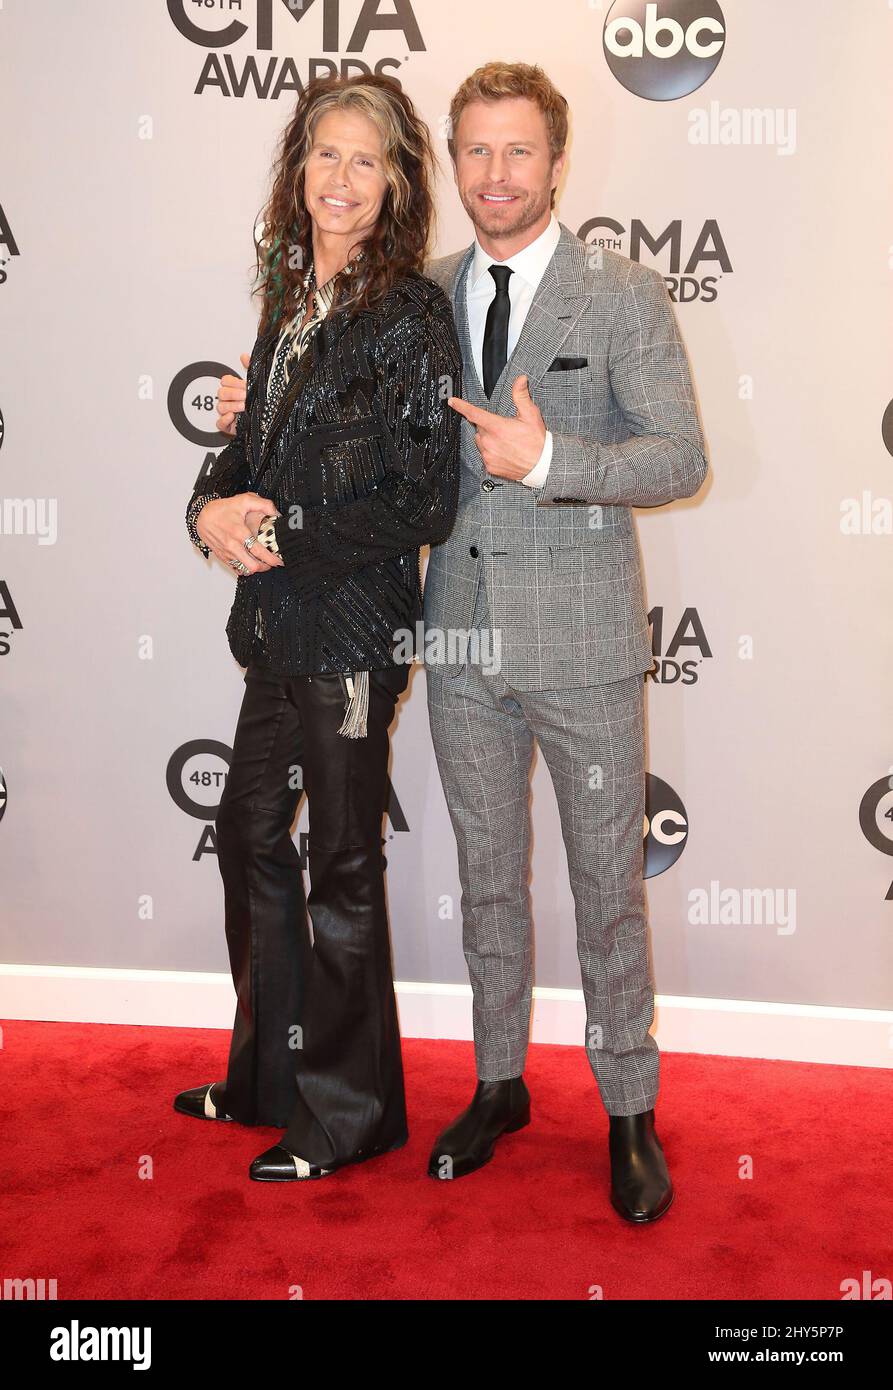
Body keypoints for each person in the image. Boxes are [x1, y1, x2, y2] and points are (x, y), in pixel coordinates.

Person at [216, 62, 708, 1222]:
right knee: (489, 883)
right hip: (454, 642)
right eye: (475, 151)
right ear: (451, 163)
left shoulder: (621, 293)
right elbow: (358, 443)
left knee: (604, 891)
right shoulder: (419, 290)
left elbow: (680, 458)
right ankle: (498, 1085)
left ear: (556, 160)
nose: (496, 174)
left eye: (518, 152)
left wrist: (551, 464)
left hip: (581, 638)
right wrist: (258, 419)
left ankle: (627, 1111)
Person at [175, 74, 462, 1183]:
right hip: (275, 631)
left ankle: (349, 1113)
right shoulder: (290, 298)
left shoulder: (407, 315)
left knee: (341, 863)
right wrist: (208, 508)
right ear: (297, 168)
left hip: (348, 630)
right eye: (322, 156)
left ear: (393, 183)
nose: (337, 180)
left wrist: (283, 527)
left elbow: (423, 496)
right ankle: (265, 1076)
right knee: (248, 833)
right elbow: (240, 457)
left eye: (362, 161)